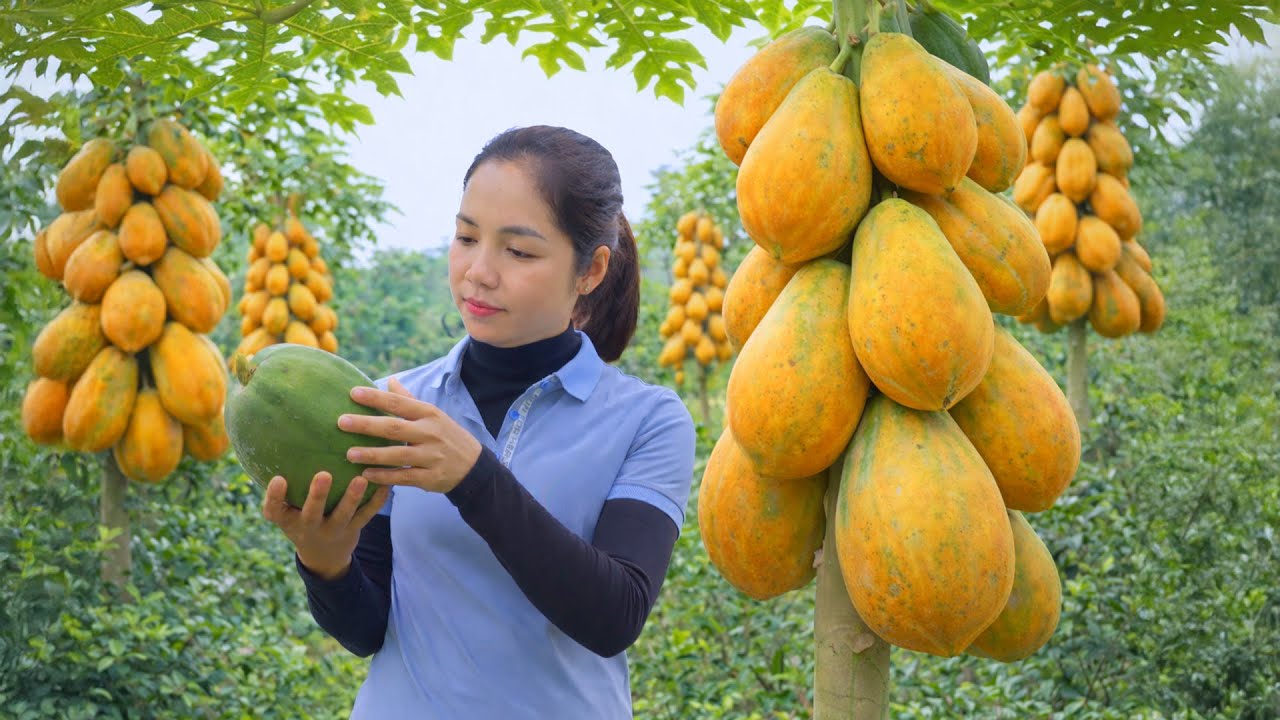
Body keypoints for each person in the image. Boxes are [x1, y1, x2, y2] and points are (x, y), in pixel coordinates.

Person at [261, 125, 696, 718]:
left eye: (518, 251)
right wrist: (325, 560)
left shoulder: (649, 421)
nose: (478, 272)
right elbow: (366, 632)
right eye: (466, 237)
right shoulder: (396, 405)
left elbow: (614, 615)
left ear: (590, 271)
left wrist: (473, 476)